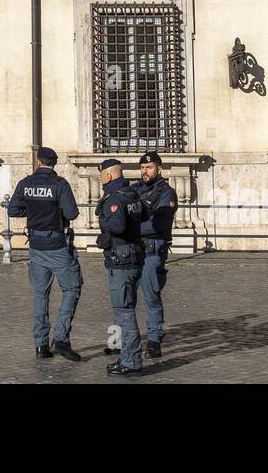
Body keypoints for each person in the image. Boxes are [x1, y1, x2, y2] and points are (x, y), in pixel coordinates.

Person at [6, 146, 82, 362]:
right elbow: (72, 213)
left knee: (41, 295)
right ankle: (61, 338)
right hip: (57, 245)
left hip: (36, 245)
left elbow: (13, 210)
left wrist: (31, 212)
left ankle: (40, 345)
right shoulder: (60, 185)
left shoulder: (25, 183)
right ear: (54, 164)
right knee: (72, 288)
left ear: (38, 162)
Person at [96, 158, 145, 377]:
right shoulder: (132, 193)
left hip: (121, 260)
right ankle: (125, 354)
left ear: (108, 176)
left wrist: (104, 224)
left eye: (101, 176)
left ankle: (131, 361)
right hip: (134, 256)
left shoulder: (114, 198)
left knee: (124, 312)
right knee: (127, 308)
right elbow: (143, 216)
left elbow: (117, 225)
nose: (101, 179)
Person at [132, 151, 177, 359]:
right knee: (124, 299)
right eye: (142, 168)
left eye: (149, 168)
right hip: (130, 251)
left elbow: (159, 224)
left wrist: (130, 228)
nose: (145, 171)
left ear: (159, 169)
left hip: (151, 251)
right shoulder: (133, 190)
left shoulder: (166, 193)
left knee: (151, 297)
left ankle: (154, 340)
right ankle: (121, 339)